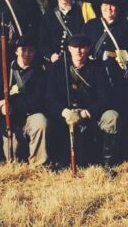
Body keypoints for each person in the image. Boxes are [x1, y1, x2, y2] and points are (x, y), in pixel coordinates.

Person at [82, 0, 128, 157]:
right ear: (100, 8)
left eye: (112, 6)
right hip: (95, 79)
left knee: (122, 116)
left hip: (120, 80)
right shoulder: (90, 26)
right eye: (105, 6)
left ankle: (122, 153)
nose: (109, 9)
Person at [46, 34, 118, 168]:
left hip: (89, 113)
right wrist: (64, 112)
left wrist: (85, 113)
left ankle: (107, 162)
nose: (79, 51)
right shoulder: (57, 68)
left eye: (82, 47)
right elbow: (50, 98)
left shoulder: (98, 68)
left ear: (89, 48)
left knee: (112, 116)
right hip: (65, 115)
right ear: (69, 49)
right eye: (75, 47)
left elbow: (106, 98)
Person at [0, 36, 48, 166]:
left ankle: (37, 164)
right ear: (16, 51)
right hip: (10, 120)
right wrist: (0, 105)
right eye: (23, 50)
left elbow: (38, 101)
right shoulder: (4, 71)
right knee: (13, 161)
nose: (27, 54)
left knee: (40, 121)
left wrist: (13, 105)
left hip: (30, 116)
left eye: (31, 50)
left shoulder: (40, 72)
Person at [39, 0, 85, 64]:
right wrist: (51, 55)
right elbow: (43, 41)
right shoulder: (48, 16)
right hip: (56, 62)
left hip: (77, 61)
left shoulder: (81, 12)